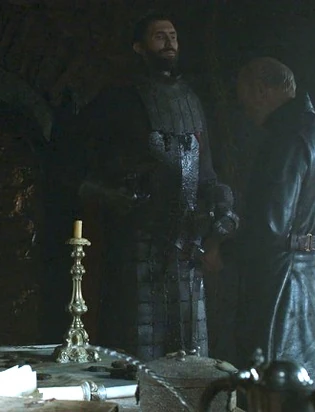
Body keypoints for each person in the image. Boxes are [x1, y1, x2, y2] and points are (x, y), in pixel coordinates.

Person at [78, 11, 238, 361]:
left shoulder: (192, 100)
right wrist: (113, 195)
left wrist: (222, 208)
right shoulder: (119, 100)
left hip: (186, 248)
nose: (169, 42)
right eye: (159, 36)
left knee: (189, 353)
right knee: (138, 348)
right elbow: (83, 169)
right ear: (139, 47)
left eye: (173, 36)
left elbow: (206, 173)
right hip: (138, 241)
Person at [234, 56, 315, 410]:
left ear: (260, 90)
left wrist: (223, 252)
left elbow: (270, 224)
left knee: (276, 390)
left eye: (244, 97)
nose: (245, 109)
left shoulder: (285, 136)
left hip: (286, 283)